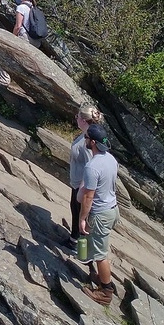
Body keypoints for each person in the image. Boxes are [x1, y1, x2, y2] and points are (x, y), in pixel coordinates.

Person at [79, 124, 120, 305]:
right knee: (92, 244)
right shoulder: (111, 159)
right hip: (112, 209)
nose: (85, 140)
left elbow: (88, 197)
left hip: (100, 213)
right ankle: (97, 275)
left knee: (100, 255)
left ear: (93, 142)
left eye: (86, 138)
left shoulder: (92, 166)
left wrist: (82, 218)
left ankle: (106, 292)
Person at [65, 104, 105, 250]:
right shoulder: (84, 135)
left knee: (82, 221)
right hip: (76, 184)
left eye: (78, 116)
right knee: (76, 215)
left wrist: (82, 190)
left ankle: (83, 255)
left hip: (82, 187)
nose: (76, 118)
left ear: (84, 120)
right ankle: (72, 240)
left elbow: (91, 166)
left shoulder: (88, 140)